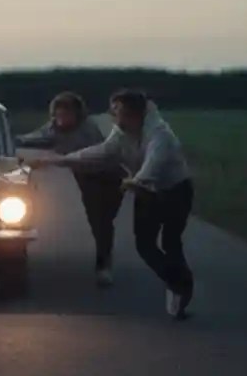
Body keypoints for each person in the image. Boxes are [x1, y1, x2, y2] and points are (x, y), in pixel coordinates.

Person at [31, 89, 195, 319]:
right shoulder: (120, 133)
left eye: (116, 112)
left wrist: (137, 180)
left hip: (175, 191)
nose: (112, 116)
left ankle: (182, 287)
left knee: (171, 241)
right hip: (145, 192)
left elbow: (154, 162)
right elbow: (100, 152)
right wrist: (59, 161)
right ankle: (176, 282)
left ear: (133, 115)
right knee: (145, 246)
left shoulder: (160, 135)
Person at [16, 91, 125, 286]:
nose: (62, 119)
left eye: (67, 114)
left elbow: (86, 156)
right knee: (97, 219)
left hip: (109, 175)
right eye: (58, 115)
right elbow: (35, 138)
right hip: (86, 177)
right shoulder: (53, 128)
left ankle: (104, 261)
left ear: (77, 115)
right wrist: (11, 142)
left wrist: (47, 161)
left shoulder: (88, 131)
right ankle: (103, 263)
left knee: (104, 219)